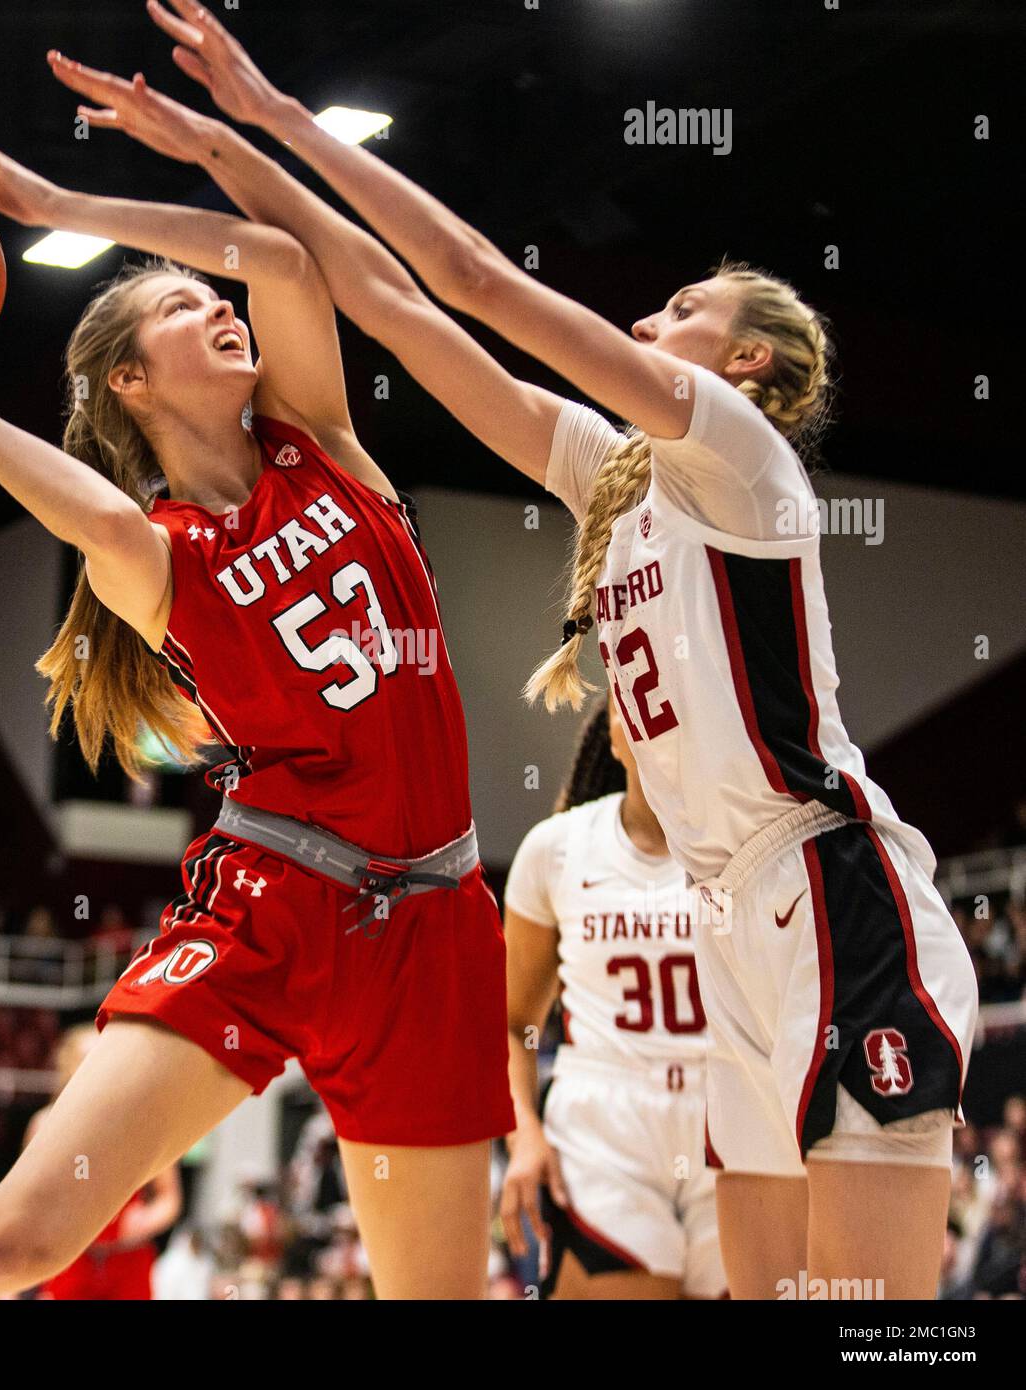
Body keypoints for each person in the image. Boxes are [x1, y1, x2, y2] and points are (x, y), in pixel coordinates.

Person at [75, 0, 978, 1298]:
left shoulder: (736, 452)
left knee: (872, 1317)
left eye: (680, 307)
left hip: (831, 885)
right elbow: (394, 303)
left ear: (746, 360)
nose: (649, 322)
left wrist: (271, 116)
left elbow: (475, 279)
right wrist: (240, 148)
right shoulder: (614, 477)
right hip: (725, 922)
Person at [0, 89, 534, 1296]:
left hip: (435, 925)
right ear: (131, 383)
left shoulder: (323, 444)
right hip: (276, 907)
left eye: (210, 297)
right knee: (13, 1248)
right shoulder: (158, 553)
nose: (220, 306)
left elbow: (282, 260)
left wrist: (62, 204)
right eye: (184, 310)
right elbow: (91, 514)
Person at [500, 702, 724, 1300]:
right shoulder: (555, 849)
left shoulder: (752, 839)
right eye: (635, 700)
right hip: (604, 1126)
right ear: (611, 735)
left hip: (732, 1110)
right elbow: (512, 1023)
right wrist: (523, 1133)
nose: (657, 714)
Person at [26, 1025, 180, 1300]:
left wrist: (145, 1220)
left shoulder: (145, 1123)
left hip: (127, 1257)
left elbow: (169, 1198)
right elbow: (28, 1200)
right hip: (70, 1258)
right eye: (89, 1060)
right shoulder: (45, 1124)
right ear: (69, 1068)